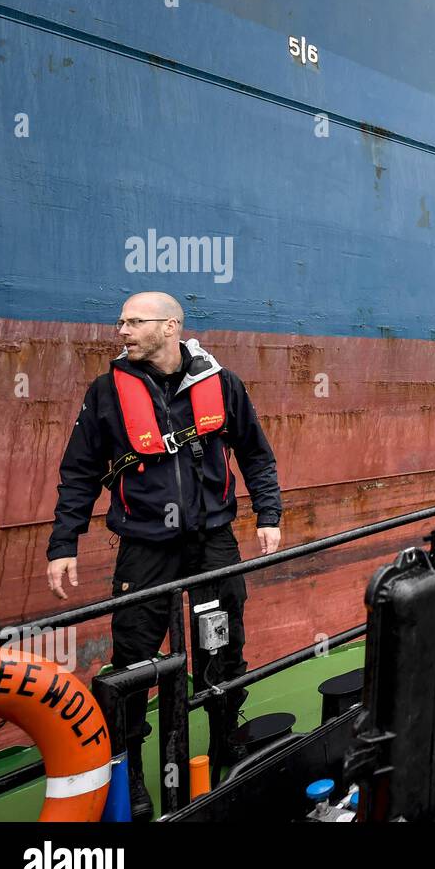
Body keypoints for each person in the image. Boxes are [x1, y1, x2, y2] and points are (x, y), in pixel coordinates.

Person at [46, 292, 283, 818]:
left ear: (171, 325)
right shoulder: (106, 392)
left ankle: (226, 742)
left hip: (213, 543)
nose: (121, 329)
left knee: (222, 647)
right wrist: (64, 544)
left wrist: (269, 515)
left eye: (134, 321)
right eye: (121, 321)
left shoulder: (222, 385)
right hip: (144, 548)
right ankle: (129, 772)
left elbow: (256, 454)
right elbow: (80, 471)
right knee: (132, 659)